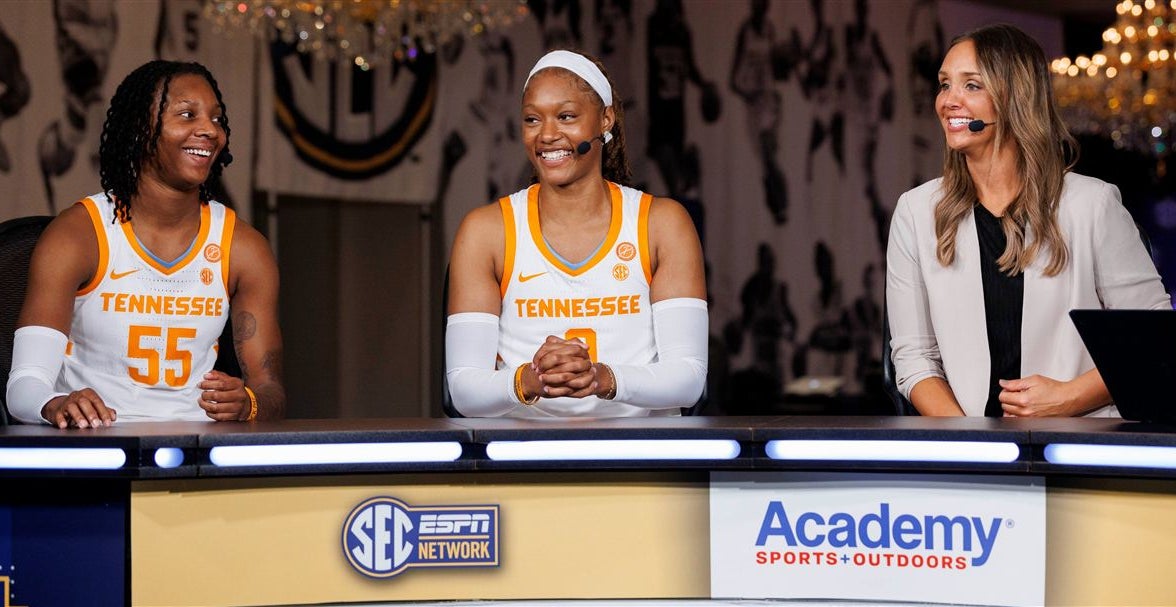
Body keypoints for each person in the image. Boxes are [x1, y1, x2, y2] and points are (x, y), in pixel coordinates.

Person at [886, 24, 1171, 417]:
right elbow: (914, 358)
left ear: (1015, 96)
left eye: (971, 86)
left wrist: (1069, 398)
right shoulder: (916, 212)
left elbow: (1155, 340)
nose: (948, 100)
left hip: (1078, 445)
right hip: (969, 454)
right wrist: (972, 446)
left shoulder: (1092, 204)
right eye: (944, 84)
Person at [6, 60, 285, 427]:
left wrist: (247, 403)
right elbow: (24, 387)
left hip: (196, 455)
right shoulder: (79, 234)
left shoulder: (243, 247)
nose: (209, 130)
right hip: (97, 449)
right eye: (187, 114)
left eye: (216, 119)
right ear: (140, 129)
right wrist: (54, 403)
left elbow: (272, 393)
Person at [445, 49, 707, 417]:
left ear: (605, 120)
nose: (548, 135)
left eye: (566, 116)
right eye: (532, 119)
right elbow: (463, 388)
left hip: (642, 461)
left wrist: (603, 379)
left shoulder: (661, 224)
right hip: (522, 463)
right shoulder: (486, 231)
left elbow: (688, 379)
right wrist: (530, 380)